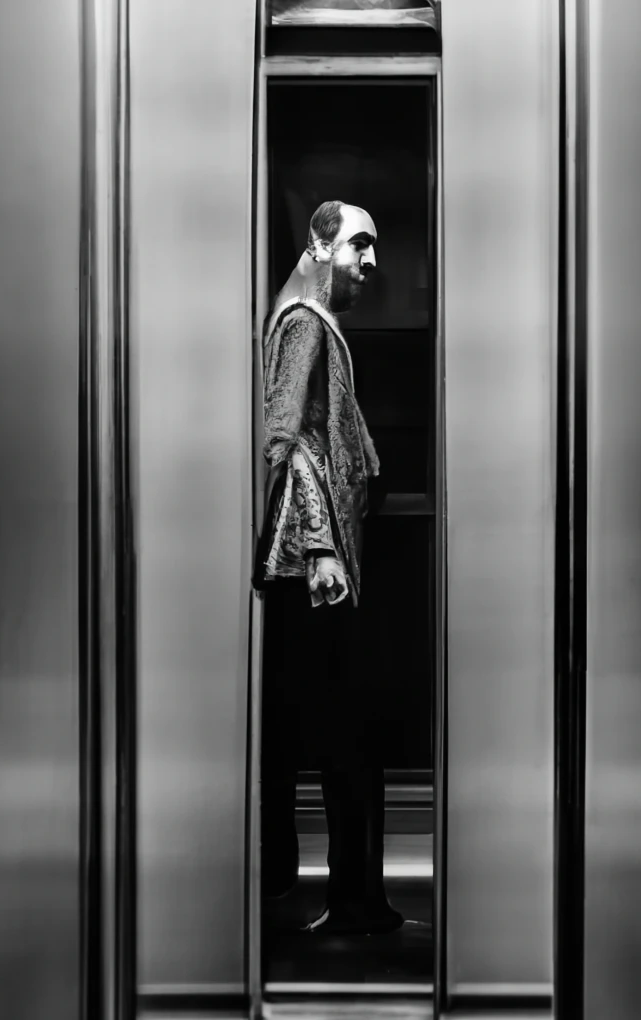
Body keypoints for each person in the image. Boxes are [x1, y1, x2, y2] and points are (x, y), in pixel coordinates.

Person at [252, 199, 403, 935]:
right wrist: (320, 548)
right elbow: (282, 434)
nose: (372, 264)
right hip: (316, 568)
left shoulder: (307, 319)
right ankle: (353, 899)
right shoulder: (306, 322)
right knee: (348, 729)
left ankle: (295, 877)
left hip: (315, 562)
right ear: (320, 245)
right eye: (360, 248)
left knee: (304, 722)